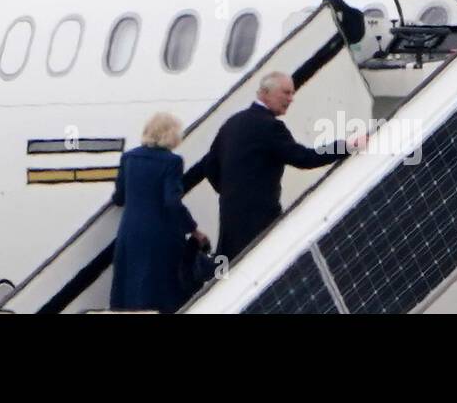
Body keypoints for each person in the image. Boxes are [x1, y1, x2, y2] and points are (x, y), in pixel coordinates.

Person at [204, 72, 364, 262]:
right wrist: (346, 146)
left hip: (230, 218)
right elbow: (304, 158)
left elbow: (209, 165)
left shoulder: (232, 123)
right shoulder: (270, 127)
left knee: (233, 272)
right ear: (265, 93)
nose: (291, 99)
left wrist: (231, 191)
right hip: (260, 220)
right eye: (286, 93)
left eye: (292, 93)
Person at [110, 112, 208, 312]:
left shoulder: (129, 158)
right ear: (171, 135)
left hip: (130, 233)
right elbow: (172, 202)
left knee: (132, 290)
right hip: (160, 235)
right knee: (163, 292)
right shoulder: (172, 161)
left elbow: (119, 197)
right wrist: (194, 229)